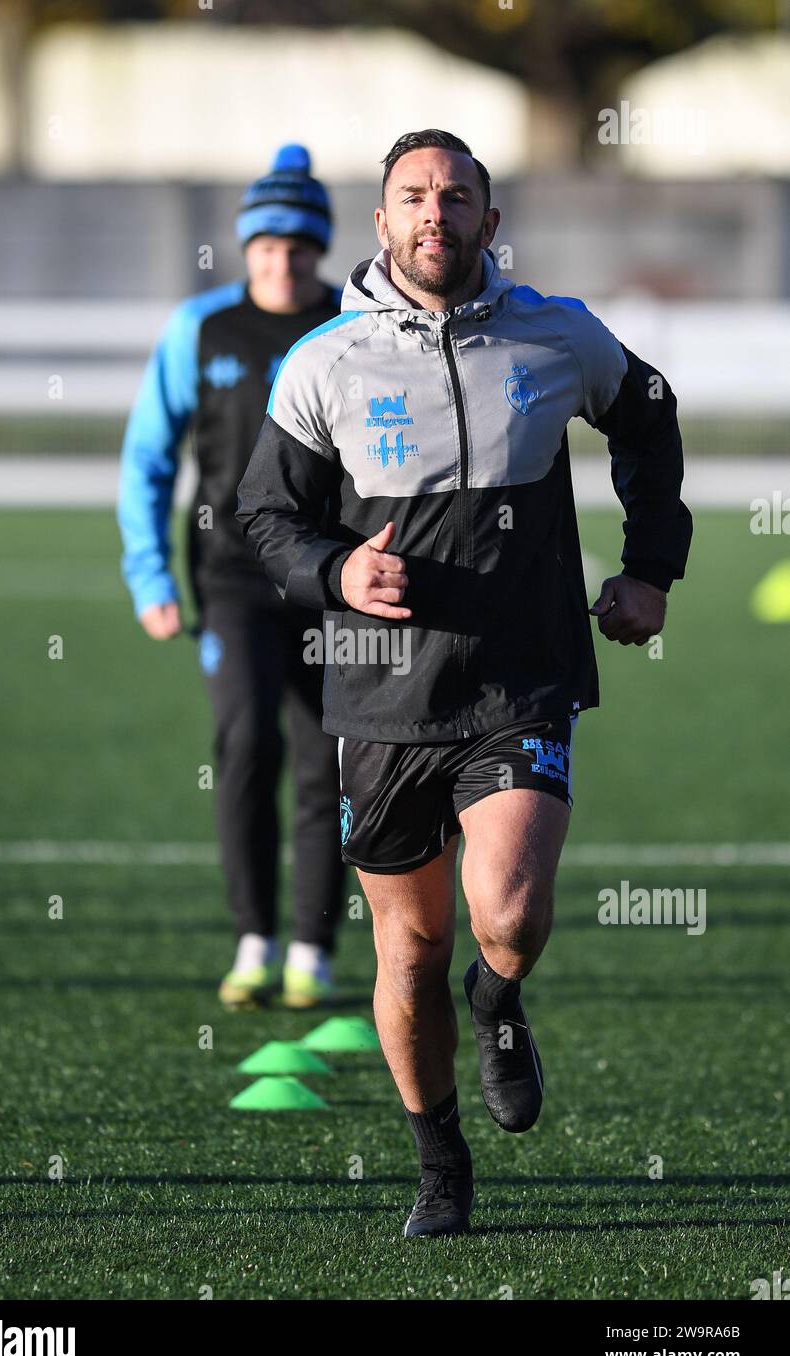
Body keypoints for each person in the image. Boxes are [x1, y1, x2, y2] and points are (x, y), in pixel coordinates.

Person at [236, 128, 693, 1235]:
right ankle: (440, 1168)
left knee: (508, 915)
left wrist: (647, 569)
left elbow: (647, 412)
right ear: (382, 223)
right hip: (380, 695)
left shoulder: (555, 333)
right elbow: (263, 516)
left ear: (489, 220)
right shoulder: (324, 364)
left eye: (454, 196)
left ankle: (500, 1001)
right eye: (410, 197)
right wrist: (336, 569)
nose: (432, 213)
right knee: (410, 949)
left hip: (519, 677)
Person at [118, 144, 346, 1011]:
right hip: (231, 582)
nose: (280, 261)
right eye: (264, 246)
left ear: (319, 247)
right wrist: (151, 578)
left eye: (296, 246)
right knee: (248, 745)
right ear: (245, 248)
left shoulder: (352, 325)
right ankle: (254, 938)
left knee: (331, 763)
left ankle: (313, 950)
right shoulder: (200, 329)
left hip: (335, 581)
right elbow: (147, 457)